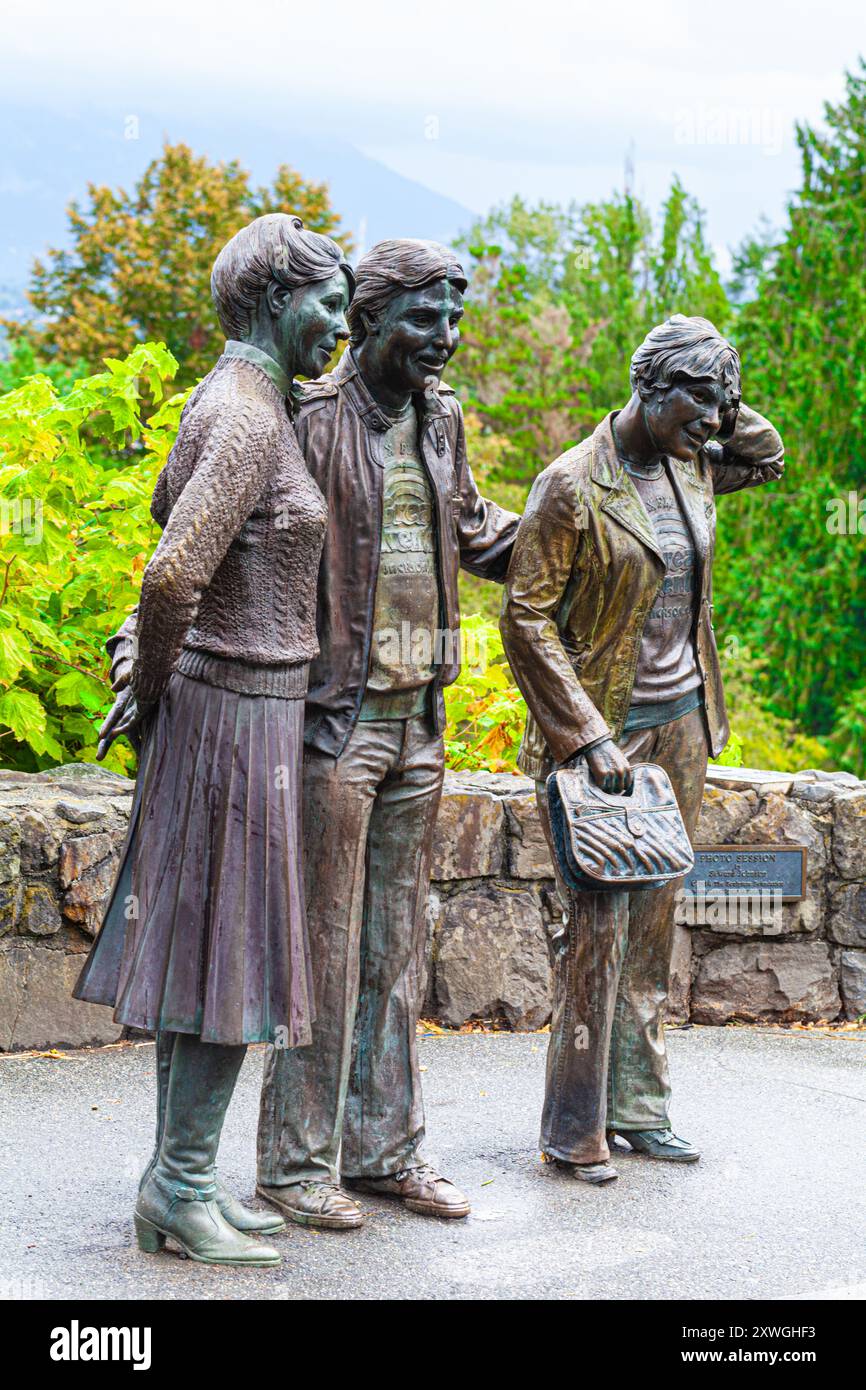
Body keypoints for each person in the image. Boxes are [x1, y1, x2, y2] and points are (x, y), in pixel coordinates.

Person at [75, 214, 353, 1265]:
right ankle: (183, 1183)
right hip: (233, 715)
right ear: (273, 301)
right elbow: (170, 572)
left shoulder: (243, 397)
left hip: (243, 710)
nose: (339, 322)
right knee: (232, 958)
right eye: (326, 302)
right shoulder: (245, 415)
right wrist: (152, 696)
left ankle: (173, 1182)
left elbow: (167, 524)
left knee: (210, 956)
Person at [254, 239, 520, 1228]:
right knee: (322, 946)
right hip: (337, 719)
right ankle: (292, 1165)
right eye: (423, 318)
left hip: (418, 717)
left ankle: (385, 1149)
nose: (443, 339)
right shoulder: (311, 419)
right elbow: (228, 532)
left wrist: (568, 528)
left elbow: (472, 527)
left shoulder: (439, 419)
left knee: (396, 947)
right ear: (367, 320)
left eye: (453, 318)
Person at [500, 315, 784, 1184]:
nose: (718, 418)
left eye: (723, 402)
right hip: (606, 732)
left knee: (655, 926)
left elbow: (769, 451)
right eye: (700, 398)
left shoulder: (695, 458)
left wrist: (717, 410)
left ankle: (640, 1107)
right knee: (594, 934)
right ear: (650, 387)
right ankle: (574, 1128)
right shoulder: (571, 484)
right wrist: (582, 736)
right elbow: (524, 617)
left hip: (685, 720)